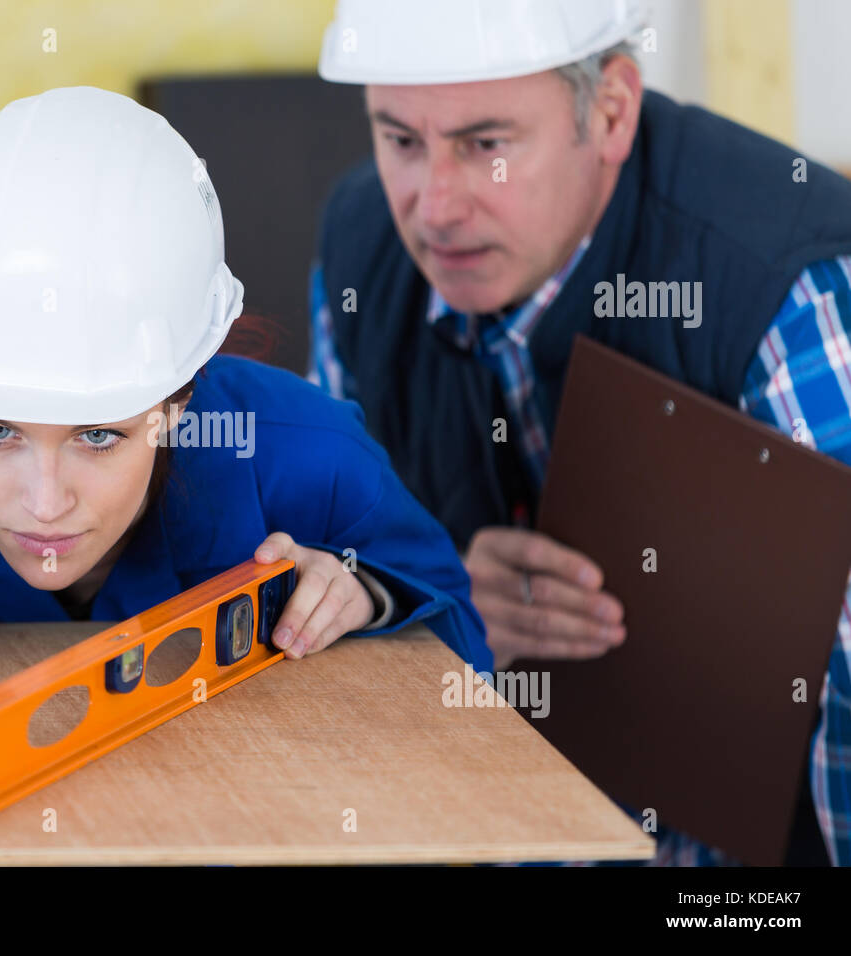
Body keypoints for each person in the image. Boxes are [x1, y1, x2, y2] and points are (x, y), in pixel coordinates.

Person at [0, 86, 490, 864]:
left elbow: (452, 634)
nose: (46, 503)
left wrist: (368, 594)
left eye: (98, 435)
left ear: (181, 399)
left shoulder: (298, 448)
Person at [308, 0, 851, 865]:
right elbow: (320, 565)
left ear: (609, 113)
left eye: (487, 145)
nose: (435, 206)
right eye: (401, 141)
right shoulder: (358, 249)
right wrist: (426, 599)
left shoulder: (781, 293)